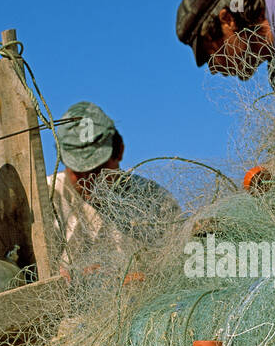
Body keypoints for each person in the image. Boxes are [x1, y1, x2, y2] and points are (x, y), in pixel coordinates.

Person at [50, 100, 180, 263]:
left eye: (97, 170)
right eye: (77, 172)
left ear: (119, 151)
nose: (87, 181)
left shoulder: (157, 202)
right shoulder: (46, 198)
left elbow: (177, 261)